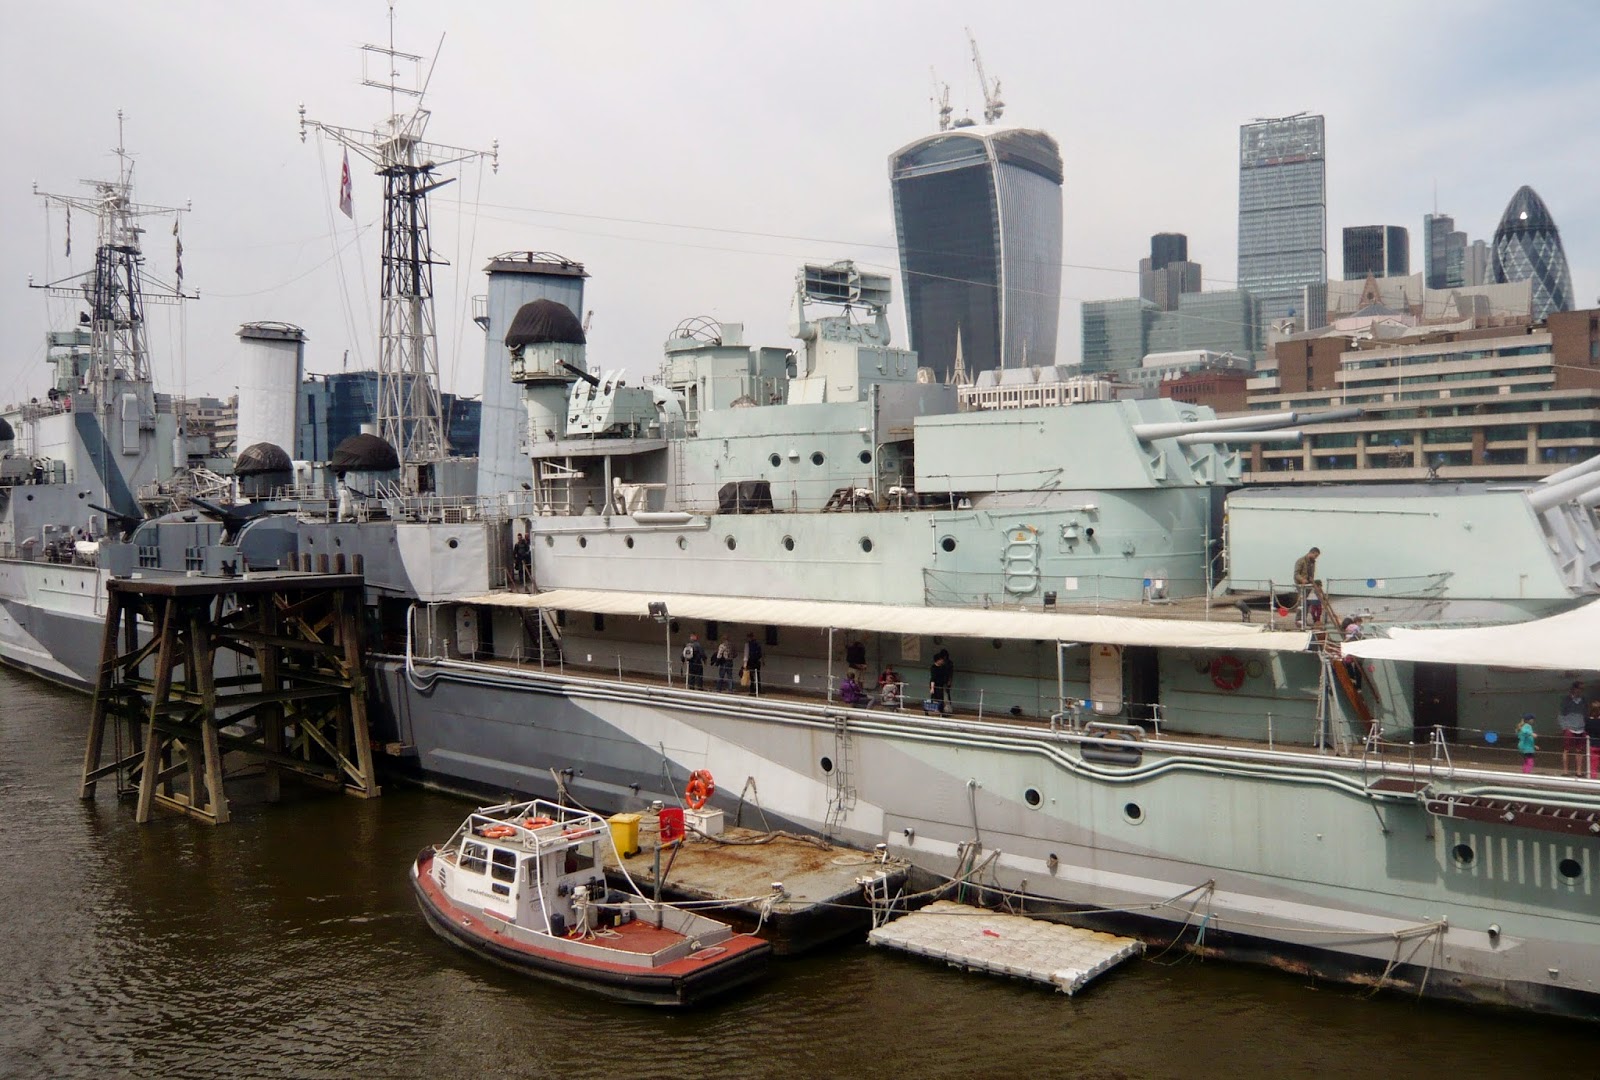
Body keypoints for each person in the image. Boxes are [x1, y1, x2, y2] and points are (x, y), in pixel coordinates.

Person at [1559, 682, 1587, 775]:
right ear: (1574, 689)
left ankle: (1578, 771)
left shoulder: (1583, 700)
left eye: (1582, 689)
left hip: (1581, 728)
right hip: (1569, 727)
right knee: (1566, 749)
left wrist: (1585, 725)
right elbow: (1561, 715)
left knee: (1579, 750)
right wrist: (1564, 727)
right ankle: (1565, 771)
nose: (1580, 691)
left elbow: (1585, 713)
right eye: (1579, 688)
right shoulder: (1566, 700)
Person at [1293, 546, 1322, 625]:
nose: (1316, 558)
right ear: (1311, 553)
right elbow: (1296, 574)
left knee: (1307, 603)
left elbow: (1311, 574)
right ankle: (1298, 620)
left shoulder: (1313, 563)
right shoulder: (1301, 561)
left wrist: (1312, 581)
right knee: (1302, 602)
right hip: (1301, 585)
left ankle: (1303, 620)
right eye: (1315, 556)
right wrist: (1302, 580)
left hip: (1308, 585)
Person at [929, 649, 953, 714]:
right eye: (941, 660)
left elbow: (948, 674)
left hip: (942, 684)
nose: (942, 661)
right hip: (936, 685)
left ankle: (943, 710)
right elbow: (933, 678)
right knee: (935, 697)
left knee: (943, 698)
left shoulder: (943, 667)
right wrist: (932, 688)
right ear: (938, 660)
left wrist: (948, 681)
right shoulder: (933, 668)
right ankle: (935, 709)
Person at [742, 632, 764, 696]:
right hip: (757, 661)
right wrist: (762, 661)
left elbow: (746, 654)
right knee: (758, 675)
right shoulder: (758, 644)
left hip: (750, 661)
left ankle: (752, 690)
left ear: (748, 637)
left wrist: (745, 663)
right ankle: (758, 689)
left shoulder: (747, 644)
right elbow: (761, 653)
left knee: (751, 676)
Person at [1586, 700, 1600, 780]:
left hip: (1593, 745)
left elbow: (1587, 731)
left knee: (1593, 766)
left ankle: (1593, 781)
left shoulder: (1588, 721)